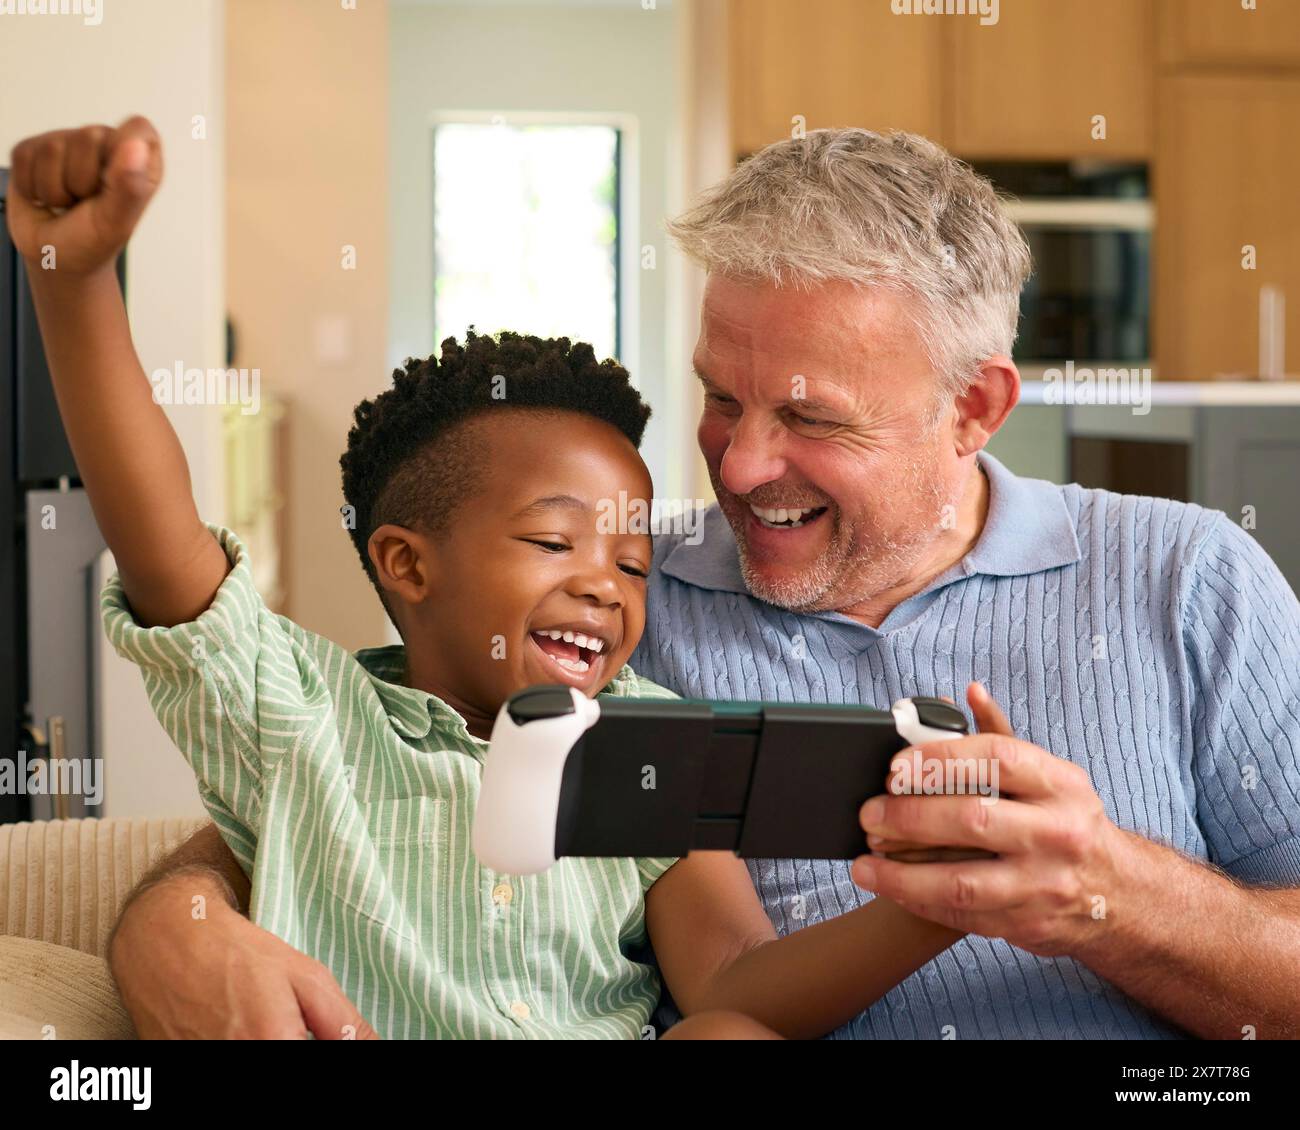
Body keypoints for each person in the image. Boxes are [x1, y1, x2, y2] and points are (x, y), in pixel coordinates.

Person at [104, 127, 1300, 1040]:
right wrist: (171, 921)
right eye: (721, 396)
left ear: (973, 407)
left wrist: (1105, 891)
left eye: (809, 417)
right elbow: (351, 780)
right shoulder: (620, 615)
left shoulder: (1188, 580)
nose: (738, 461)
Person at [6, 116, 985, 1040]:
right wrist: (75, 280)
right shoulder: (294, 712)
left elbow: (732, 977)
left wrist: (937, 907)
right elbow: (160, 534)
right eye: (557, 544)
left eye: (633, 559)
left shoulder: (648, 740)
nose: (608, 585)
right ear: (406, 563)